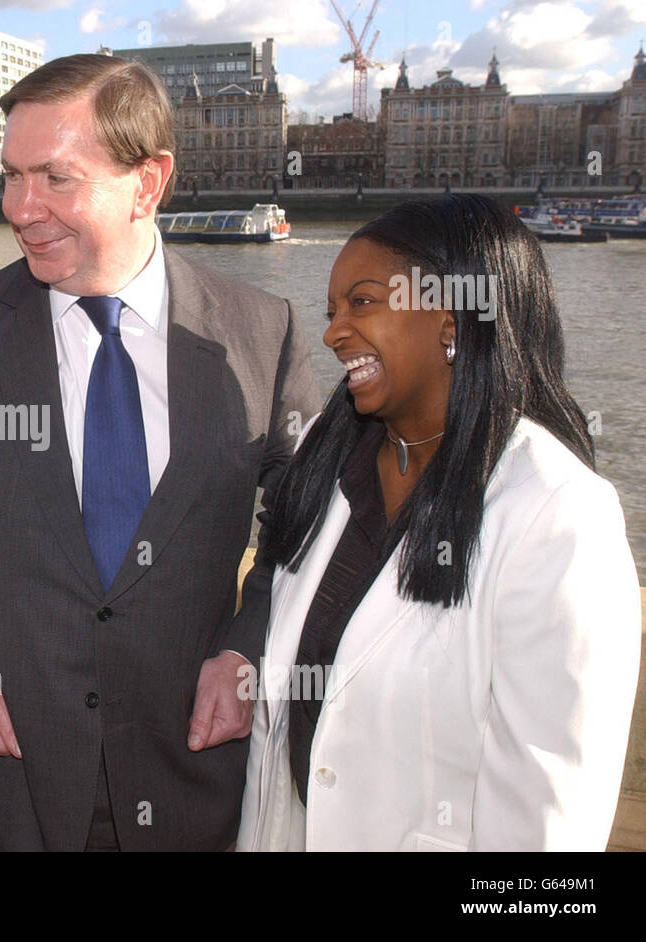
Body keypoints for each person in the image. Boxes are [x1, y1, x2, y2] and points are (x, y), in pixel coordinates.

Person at [0, 54, 320, 851]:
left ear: (148, 182)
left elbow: (305, 529)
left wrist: (246, 646)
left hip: (186, 781)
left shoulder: (263, 333)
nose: (20, 209)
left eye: (56, 178)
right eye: (11, 176)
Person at [237, 194, 641, 851]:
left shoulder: (557, 515)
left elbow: (548, 822)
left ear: (454, 319)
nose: (334, 333)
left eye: (361, 303)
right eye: (332, 310)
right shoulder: (325, 458)